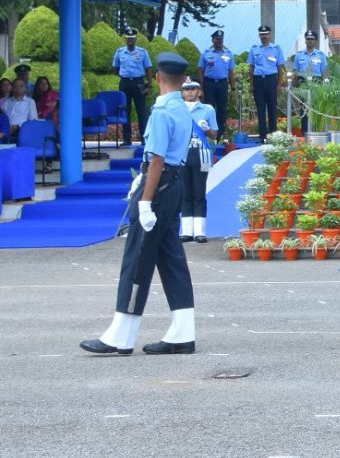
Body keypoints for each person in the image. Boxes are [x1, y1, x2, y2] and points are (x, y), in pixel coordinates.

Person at [81, 53, 198, 356]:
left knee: (137, 259)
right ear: (184, 81)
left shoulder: (161, 112)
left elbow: (156, 159)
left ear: (157, 78)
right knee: (171, 259)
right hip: (173, 185)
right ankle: (183, 330)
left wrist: (145, 200)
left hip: (158, 189)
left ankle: (122, 333)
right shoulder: (184, 110)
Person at [179, 79, 220, 243]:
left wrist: (207, 129)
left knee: (199, 192)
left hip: (200, 152)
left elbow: (214, 134)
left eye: (193, 89)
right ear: (182, 92)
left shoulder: (207, 109)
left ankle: (200, 231)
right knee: (185, 192)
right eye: (186, 89)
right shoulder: (178, 109)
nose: (190, 92)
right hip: (182, 152)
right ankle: (187, 231)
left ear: (199, 91)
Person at [113, 32, 153, 142]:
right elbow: (116, 67)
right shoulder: (120, 52)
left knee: (141, 111)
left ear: (136, 39)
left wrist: (149, 85)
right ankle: (127, 139)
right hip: (125, 83)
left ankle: (144, 139)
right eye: (128, 38)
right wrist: (124, 75)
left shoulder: (142, 52)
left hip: (138, 83)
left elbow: (148, 68)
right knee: (126, 110)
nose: (130, 40)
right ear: (125, 39)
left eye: (132, 38)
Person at [249, 26, 285, 141]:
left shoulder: (276, 49)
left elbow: (280, 68)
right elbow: (251, 67)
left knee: (272, 109)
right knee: (260, 109)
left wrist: (279, 84)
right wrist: (251, 84)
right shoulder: (254, 49)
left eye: (265, 34)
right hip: (258, 80)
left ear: (270, 35)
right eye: (261, 34)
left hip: (271, 80)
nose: (263, 36)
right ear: (259, 35)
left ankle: (272, 135)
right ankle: (263, 136)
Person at [199, 31, 234, 134]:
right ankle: (210, 133)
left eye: (221, 39)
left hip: (222, 84)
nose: (219, 41)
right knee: (210, 108)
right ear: (213, 40)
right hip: (209, 84)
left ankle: (221, 135)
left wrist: (233, 88)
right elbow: (201, 70)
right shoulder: (206, 53)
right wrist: (201, 87)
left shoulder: (228, 54)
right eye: (217, 39)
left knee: (222, 109)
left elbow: (231, 71)